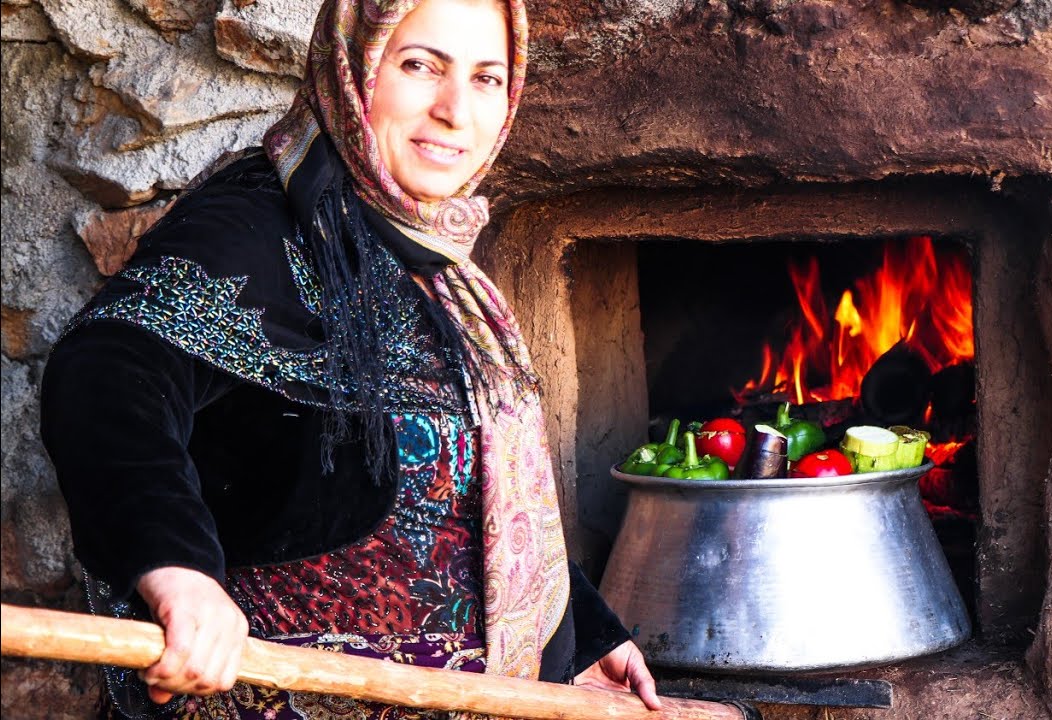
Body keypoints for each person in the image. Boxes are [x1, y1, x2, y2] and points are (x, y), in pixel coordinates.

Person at [40, 0, 662, 717]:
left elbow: (470, 495)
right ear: (352, 69)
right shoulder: (258, 227)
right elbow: (107, 373)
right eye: (420, 66)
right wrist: (178, 574)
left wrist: (574, 635)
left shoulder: (434, 257)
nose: (456, 110)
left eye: (487, 78)